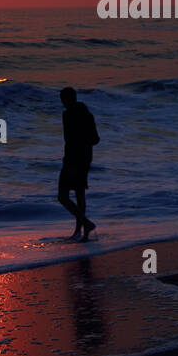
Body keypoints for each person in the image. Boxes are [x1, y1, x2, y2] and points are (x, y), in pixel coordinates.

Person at [57, 87, 99, 241]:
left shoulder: (67, 115)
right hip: (85, 159)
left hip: (72, 160)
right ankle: (80, 231)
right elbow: (95, 139)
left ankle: (85, 225)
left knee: (62, 196)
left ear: (65, 100)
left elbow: (69, 140)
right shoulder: (87, 114)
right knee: (79, 194)